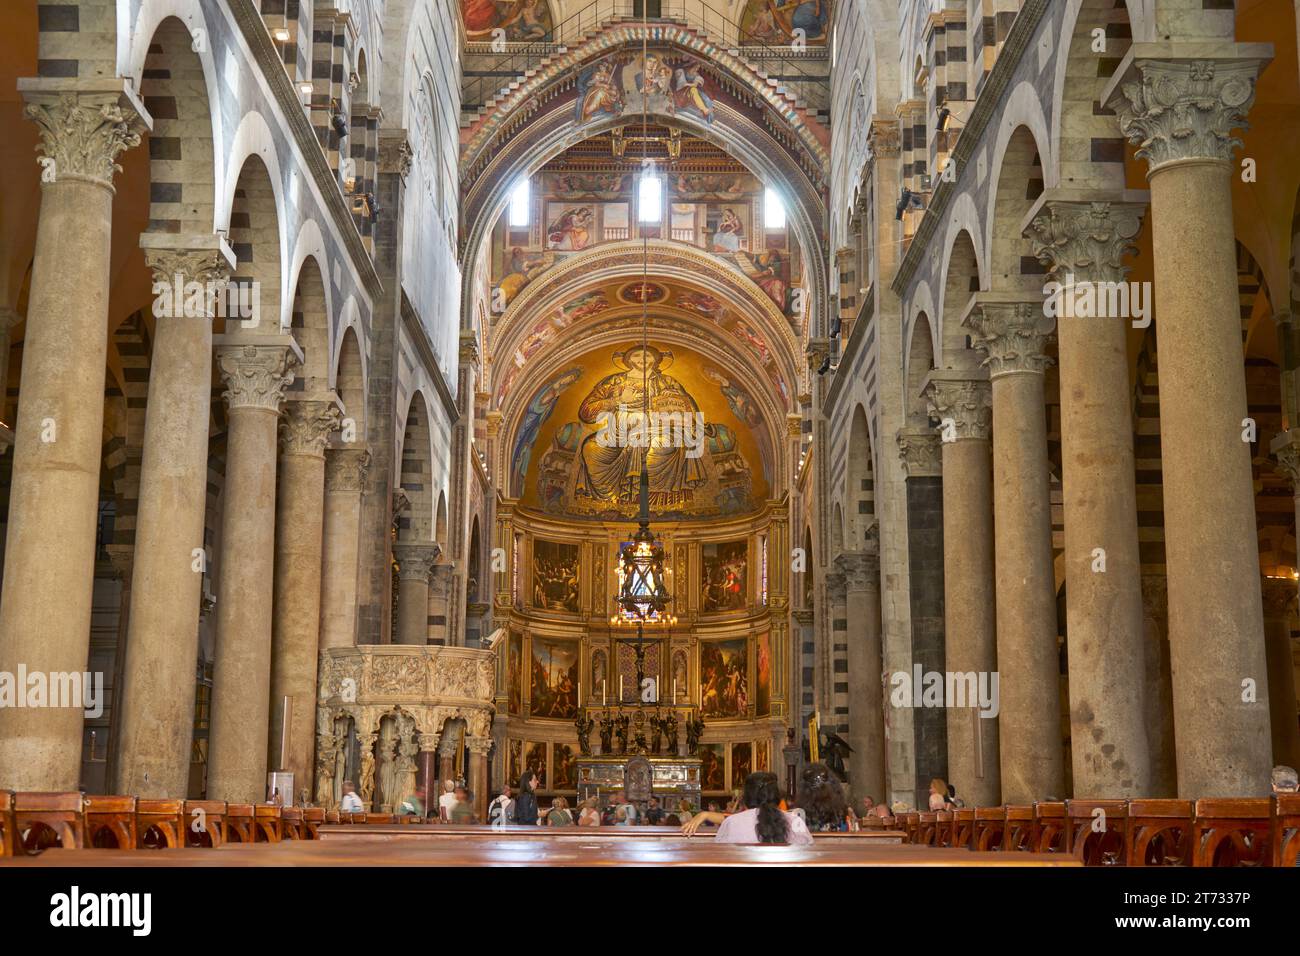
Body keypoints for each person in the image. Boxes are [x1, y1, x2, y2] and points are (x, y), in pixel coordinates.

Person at [682, 772, 813, 845]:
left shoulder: (732, 823)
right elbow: (809, 850)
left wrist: (704, 815)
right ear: (775, 794)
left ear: (747, 796)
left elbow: (722, 853)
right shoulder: (796, 821)